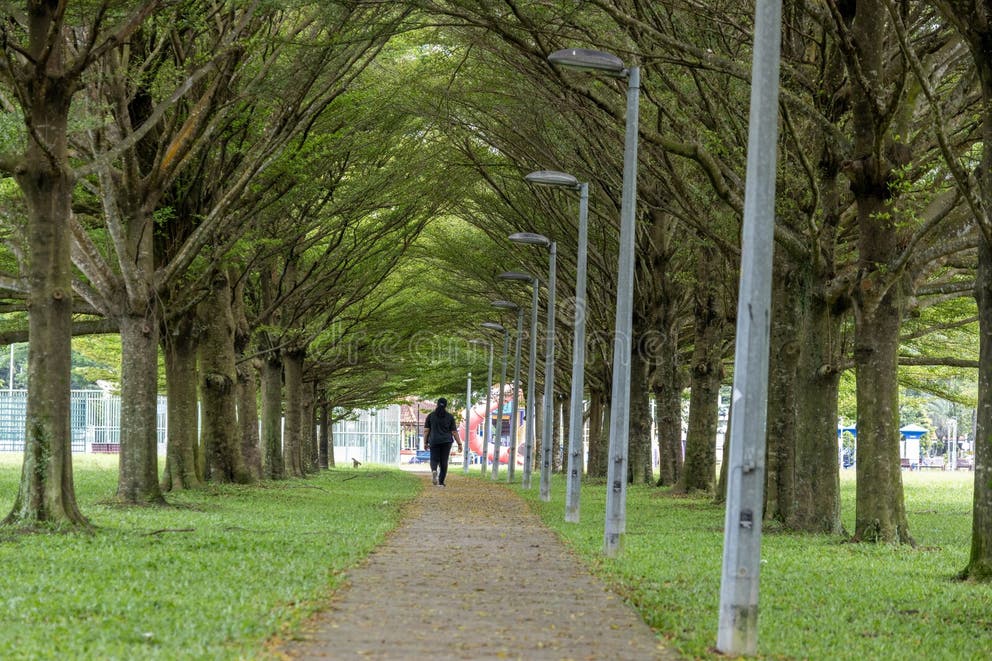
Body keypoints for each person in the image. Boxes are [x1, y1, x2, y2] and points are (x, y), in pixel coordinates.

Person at [422, 397, 462, 487]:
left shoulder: (430, 416)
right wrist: (459, 444)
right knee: (444, 460)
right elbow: (454, 432)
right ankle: (441, 482)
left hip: (434, 441)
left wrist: (425, 442)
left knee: (434, 458)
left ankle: (434, 470)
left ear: (437, 404)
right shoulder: (450, 417)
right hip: (446, 442)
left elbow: (426, 431)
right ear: (446, 406)